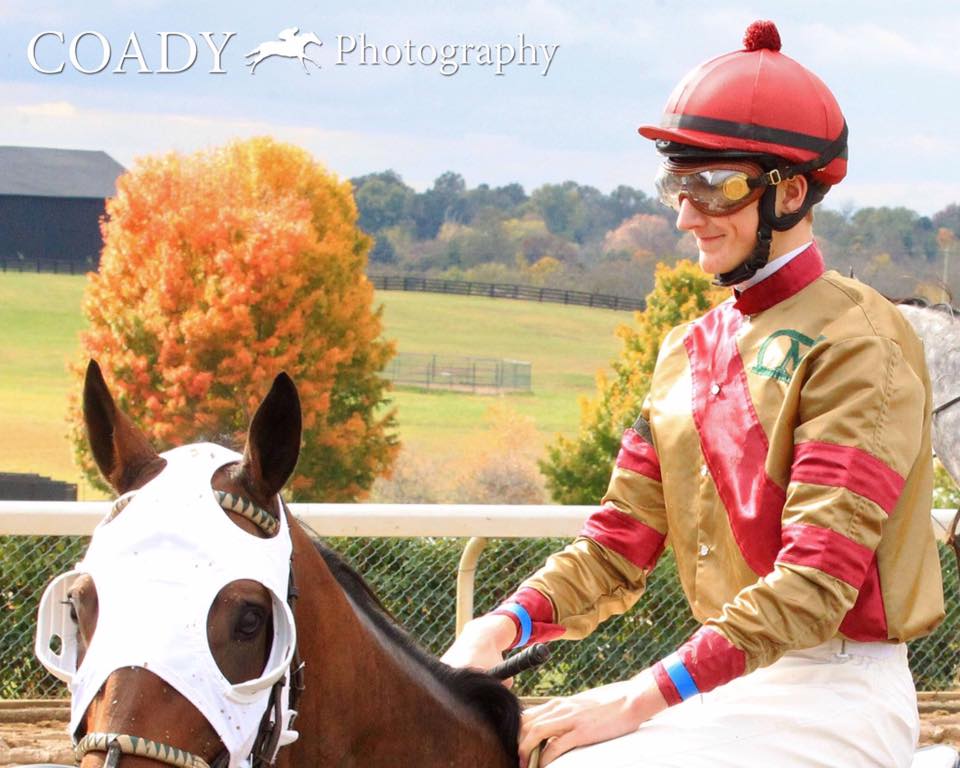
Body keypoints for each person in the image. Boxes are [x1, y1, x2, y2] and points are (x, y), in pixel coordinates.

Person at [442, 20, 945, 768]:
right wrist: (500, 627)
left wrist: (634, 697)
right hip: (724, 684)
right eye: (677, 185)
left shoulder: (860, 341)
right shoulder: (686, 349)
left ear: (791, 191)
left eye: (713, 187)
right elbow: (617, 545)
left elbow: (814, 583)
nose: (685, 215)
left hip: (839, 691)